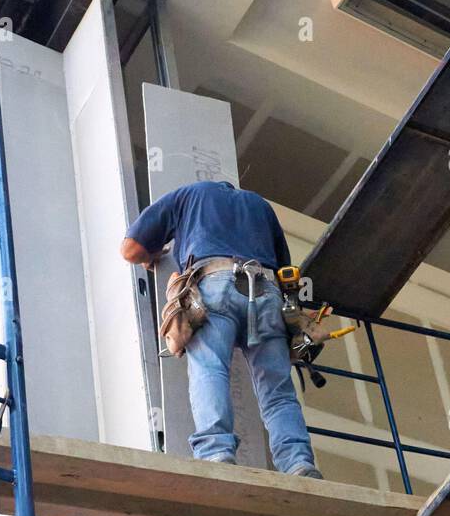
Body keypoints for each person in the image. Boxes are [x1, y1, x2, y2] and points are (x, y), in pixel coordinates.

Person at [121, 180, 320, 478]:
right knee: (278, 391)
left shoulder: (188, 195)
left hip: (213, 284)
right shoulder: (259, 205)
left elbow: (131, 250)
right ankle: (298, 462)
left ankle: (216, 453)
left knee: (210, 369)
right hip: (266, 291)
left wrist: (153, 258)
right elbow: (283, 268)